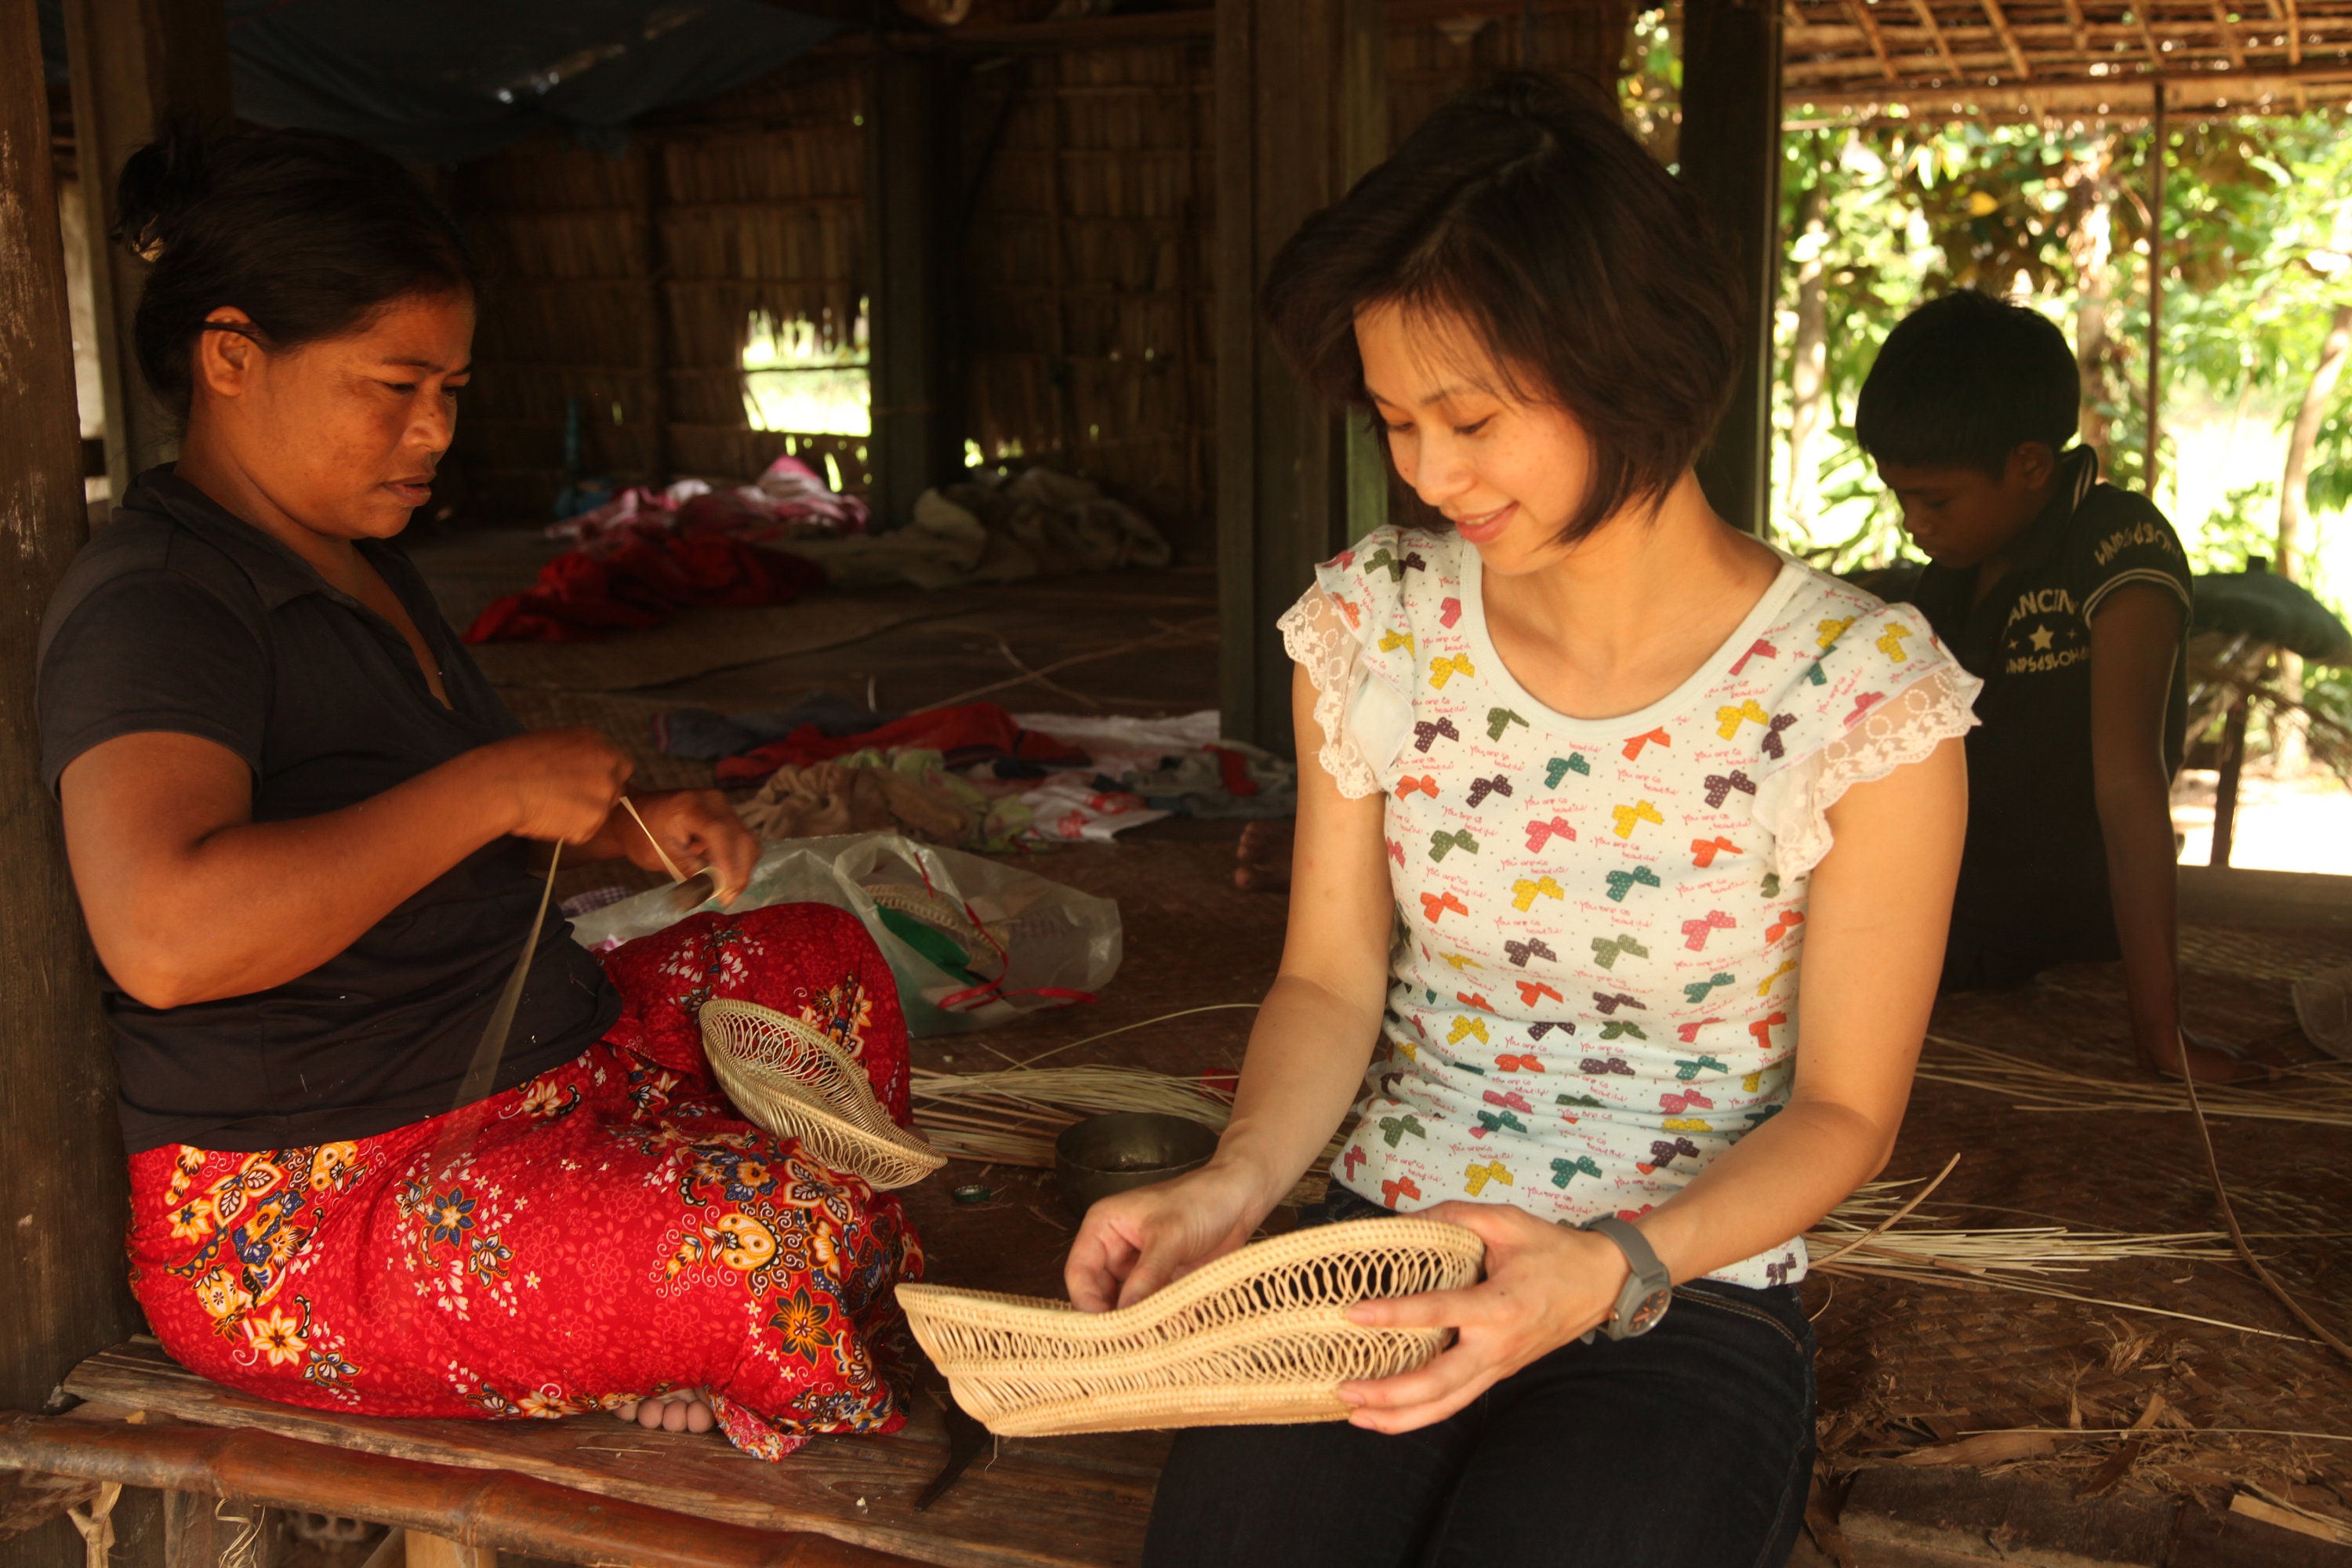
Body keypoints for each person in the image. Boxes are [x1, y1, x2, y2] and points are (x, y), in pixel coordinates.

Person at [1066, 76, 1975, 1568]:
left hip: (1687, 1283)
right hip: (1378, 1239)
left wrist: (1606, 1271)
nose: (1429, 471)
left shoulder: (1861, 700)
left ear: (1637, 365)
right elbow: (1330, 979)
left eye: (1471, 417)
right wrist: (1235, 1187)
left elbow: (1843, 1116)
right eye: (1395, 421)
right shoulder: (1376, 623)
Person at [37, 124, 923, 1459]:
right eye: (394, 385)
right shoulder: (162, 604)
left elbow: (428, 839)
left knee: (815, 961)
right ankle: (696, 1299)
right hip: (320, 1204)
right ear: (230, 358)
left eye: (449, 387)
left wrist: (631, 835)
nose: (434, 429)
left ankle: (655, 1289)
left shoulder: (354, 561)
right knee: (773, 1237)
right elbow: (164, 937)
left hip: (533, 1076)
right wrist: (489, 790)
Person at [1853, 291, 2241, 1083]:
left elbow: (2130, 783)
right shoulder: (1948, 582)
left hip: (2058, 916)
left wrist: (2161, 1031)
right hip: (1957, 905)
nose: (1914, 522)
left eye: (1935, 499)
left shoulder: (2115, 545)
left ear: (2031, 465)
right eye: (1900, 496)